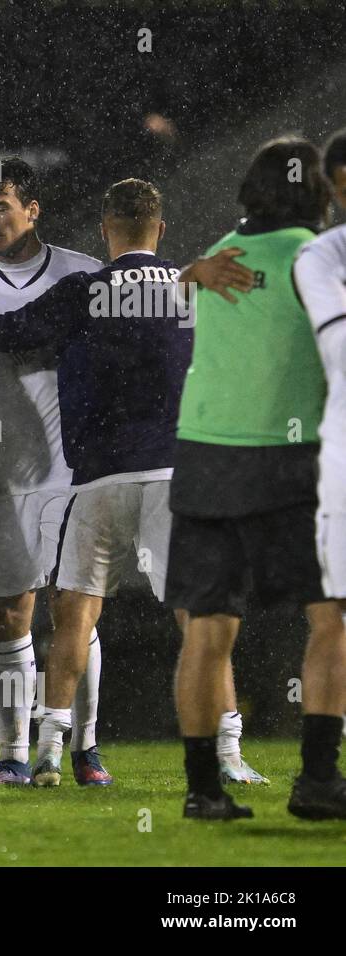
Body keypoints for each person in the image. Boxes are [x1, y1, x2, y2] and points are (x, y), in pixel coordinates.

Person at [167, 136, 346, 820]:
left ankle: (201, 791)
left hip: (205, 455)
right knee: (331, 617)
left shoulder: (216, 252)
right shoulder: (315, 255)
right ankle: (319, 779)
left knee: (207, 630)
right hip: (285, 456)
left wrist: (190, 271)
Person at [0, 158, 104, 786]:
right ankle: (12, 756)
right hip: (1, 476)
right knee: (8, 615)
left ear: (33, 209)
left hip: (73, 473)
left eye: (0, 207)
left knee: (76, 612)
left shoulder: (82, 274)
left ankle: (85, 751)